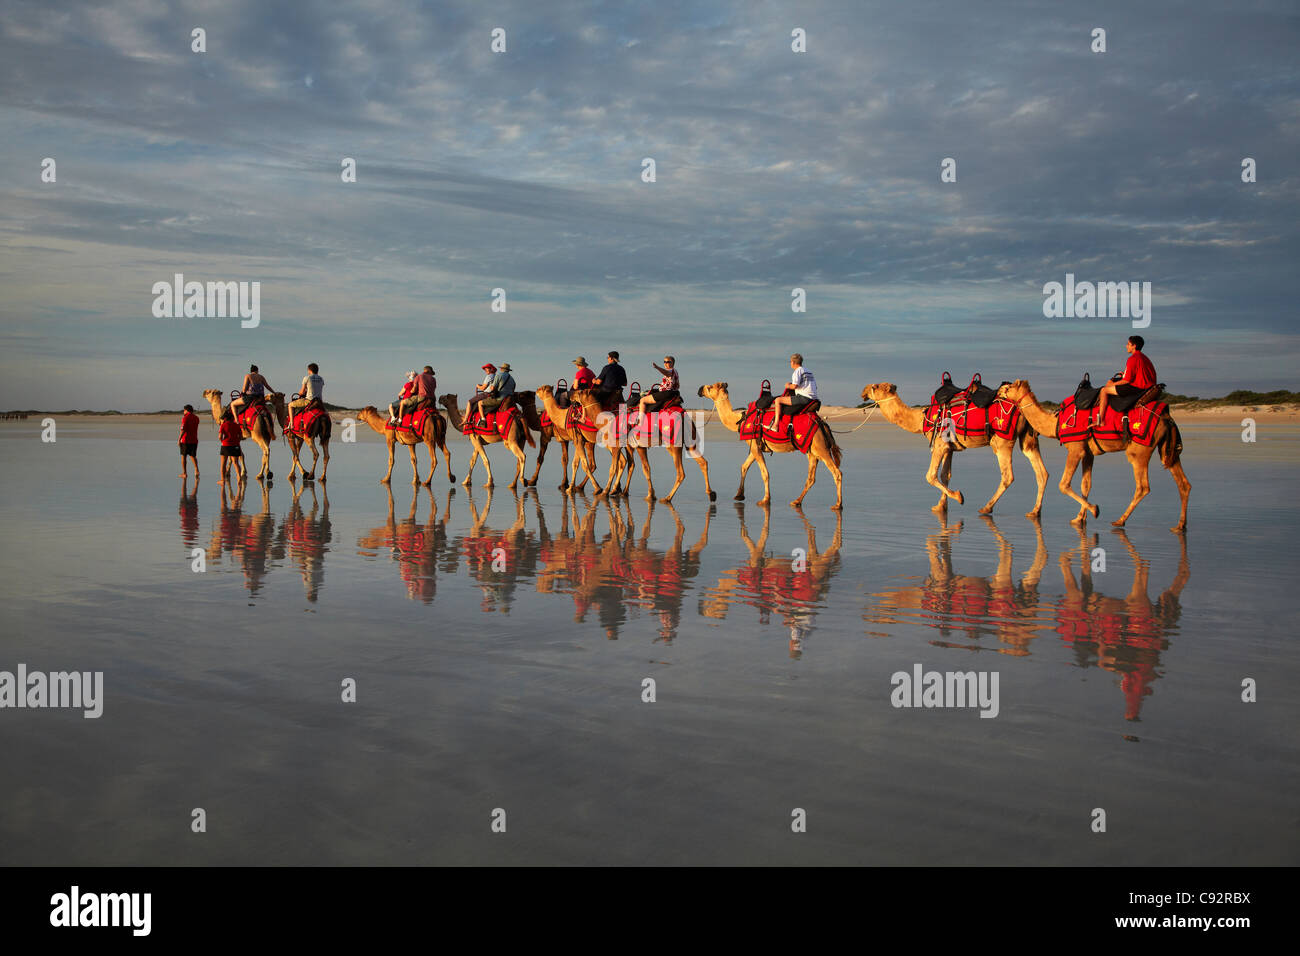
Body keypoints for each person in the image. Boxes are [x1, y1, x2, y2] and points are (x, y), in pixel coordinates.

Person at [1096, 335, 1157, 420]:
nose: (1126, 346)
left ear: (1134, 346)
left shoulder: (1133, 358)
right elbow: (1140, 374)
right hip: (1148, 387)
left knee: (1104, 390)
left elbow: (1127, 380)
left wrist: (1112, 383)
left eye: (1128, 344)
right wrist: (1124, 374)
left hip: (1138, 388)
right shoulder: (1145, 358)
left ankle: (1100, 420)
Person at [288, 362, 324, 431]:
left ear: (309, 370)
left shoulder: (307, 378)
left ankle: (292, 425)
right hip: (319, 401)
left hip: (309, 401)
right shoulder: (321, 379)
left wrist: (301, 394)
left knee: (290, 405)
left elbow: (301, 392)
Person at [218, 407, 246, 483]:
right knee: (236, 463)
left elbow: (220, 436)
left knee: (223, 464)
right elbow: (240, 436)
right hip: (235, 445)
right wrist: (237, 441)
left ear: (225, 418)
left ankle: (222, 480)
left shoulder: (223, 425)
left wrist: (222, 442)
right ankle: (239, 477)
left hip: (226, 445)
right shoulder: (237, 425)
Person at [178, 403, 200, 478]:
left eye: (184, 410)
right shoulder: (196, 418)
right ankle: (196, 470)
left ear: (186, 410)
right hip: (194, 440)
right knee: (193, 456)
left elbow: (183, 429)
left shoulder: (185, 418)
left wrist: (179, 439)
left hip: (185, 440)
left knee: (183, 456)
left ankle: (184, 473)